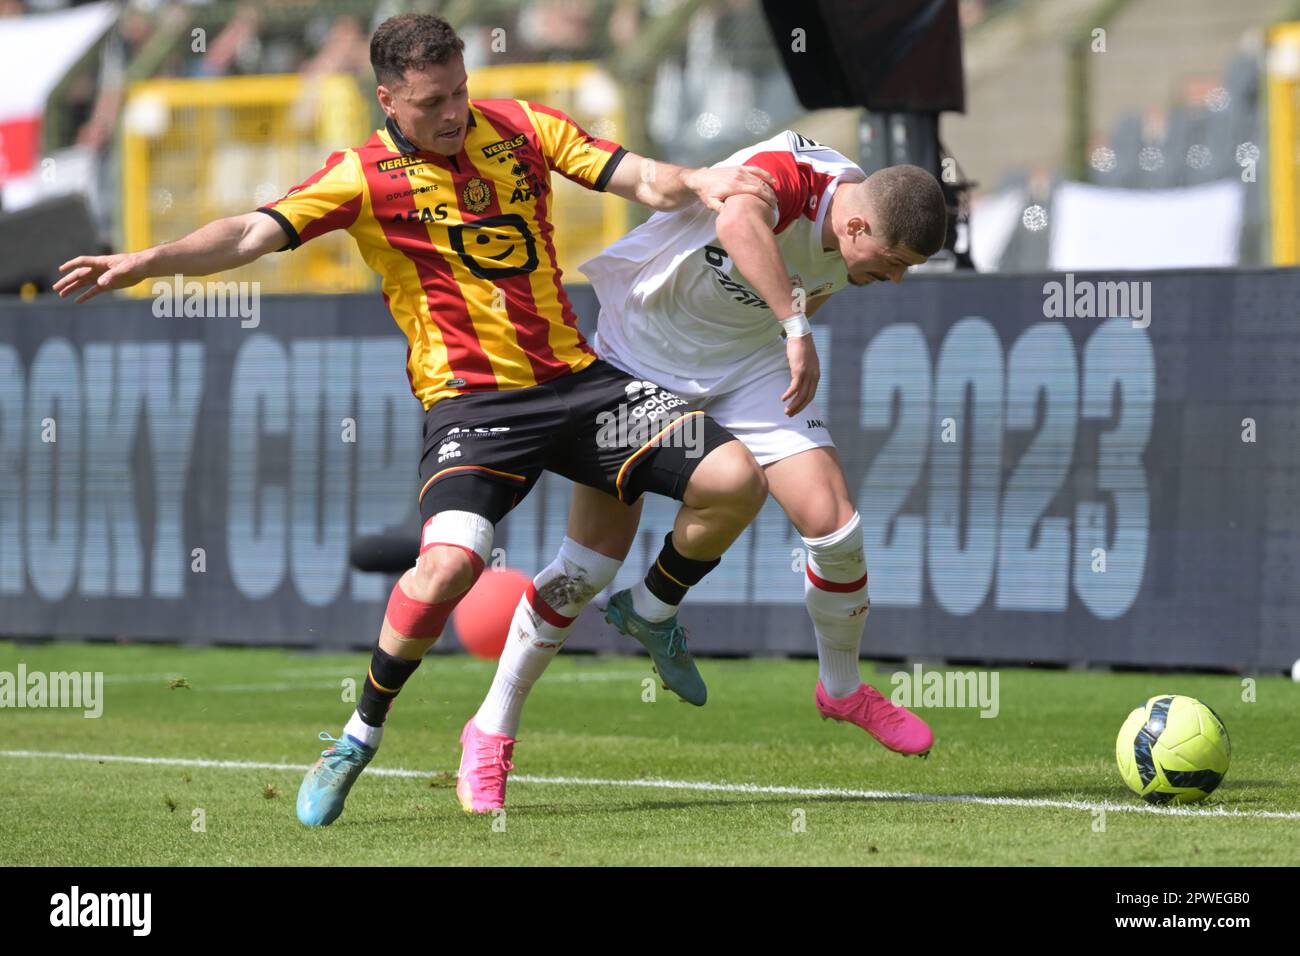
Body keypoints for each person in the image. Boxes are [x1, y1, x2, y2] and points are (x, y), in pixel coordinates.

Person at [53, 13, 783, 827]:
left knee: (734, 479)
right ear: (389, 99)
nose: (455, 112)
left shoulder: (519, 126)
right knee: (449, 567)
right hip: (477, 408)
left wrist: (702, 180)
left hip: (578, 387)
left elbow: (639, 176)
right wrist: (148, 261)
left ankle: (650, 610)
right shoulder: (361, 176)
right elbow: (251, 232)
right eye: (434, 100)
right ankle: (357, 737)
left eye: (461, 90)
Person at [461, 132, 950, 811]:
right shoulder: (794, 178)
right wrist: (795, 326)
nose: (894, 279)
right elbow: (738, 217)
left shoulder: (861, 222)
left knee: (836, 528)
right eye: (893, 263)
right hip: (639, 361)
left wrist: (788, 330)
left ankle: (835, 688)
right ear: (858, 222)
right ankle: (490, 728)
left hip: (747, 367)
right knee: (585, 570)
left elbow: (823, 278)